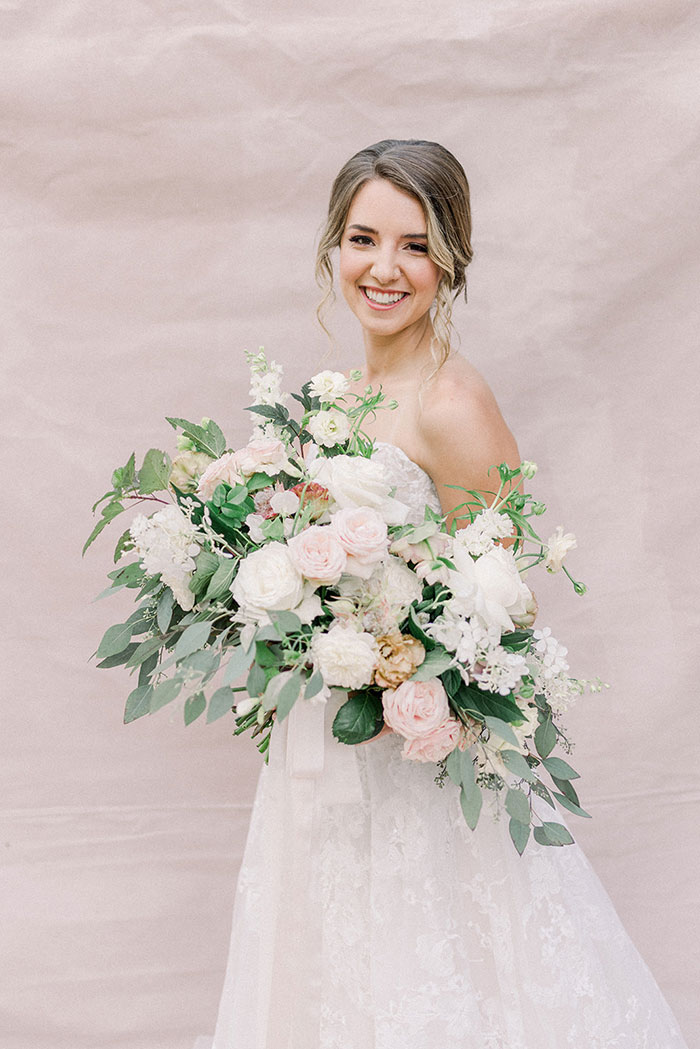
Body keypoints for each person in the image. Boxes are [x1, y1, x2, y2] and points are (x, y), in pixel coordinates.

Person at [199, 140, 689, 1049]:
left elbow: (500, 602)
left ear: (451, 259)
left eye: (415, 246)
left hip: (417, 751)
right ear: (332, 250)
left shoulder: (451, 403)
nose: (384, 269)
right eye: (362, 238)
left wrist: (407, 671)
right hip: (326, 746)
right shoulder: (329, 397)